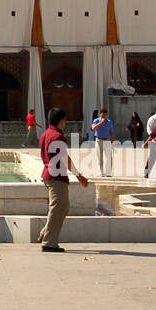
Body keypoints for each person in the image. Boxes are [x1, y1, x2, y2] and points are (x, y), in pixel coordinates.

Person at [39, 108, 90, 252]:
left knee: (63, 206)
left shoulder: (45, 134)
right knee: (57, 208)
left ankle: (45, 232)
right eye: (64, 120)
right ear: (61, 120)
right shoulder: (58, 136)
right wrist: (79, 176)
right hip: (56, 177)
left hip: (48, 174)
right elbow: (64, 158)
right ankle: (49, 243)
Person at [91, 109, 114, 177]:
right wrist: (101, 122)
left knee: (108, 157)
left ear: (106, 115)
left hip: (107, 140)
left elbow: (112, 132)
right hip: (99, 140)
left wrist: (113, 142)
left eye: (105, 115)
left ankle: (108, 173)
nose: (104, 116)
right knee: (99, 157)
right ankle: (101, 173)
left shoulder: (109, 122)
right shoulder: (96, 120)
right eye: (102, 114)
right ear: (100, 114)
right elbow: (93, 128)